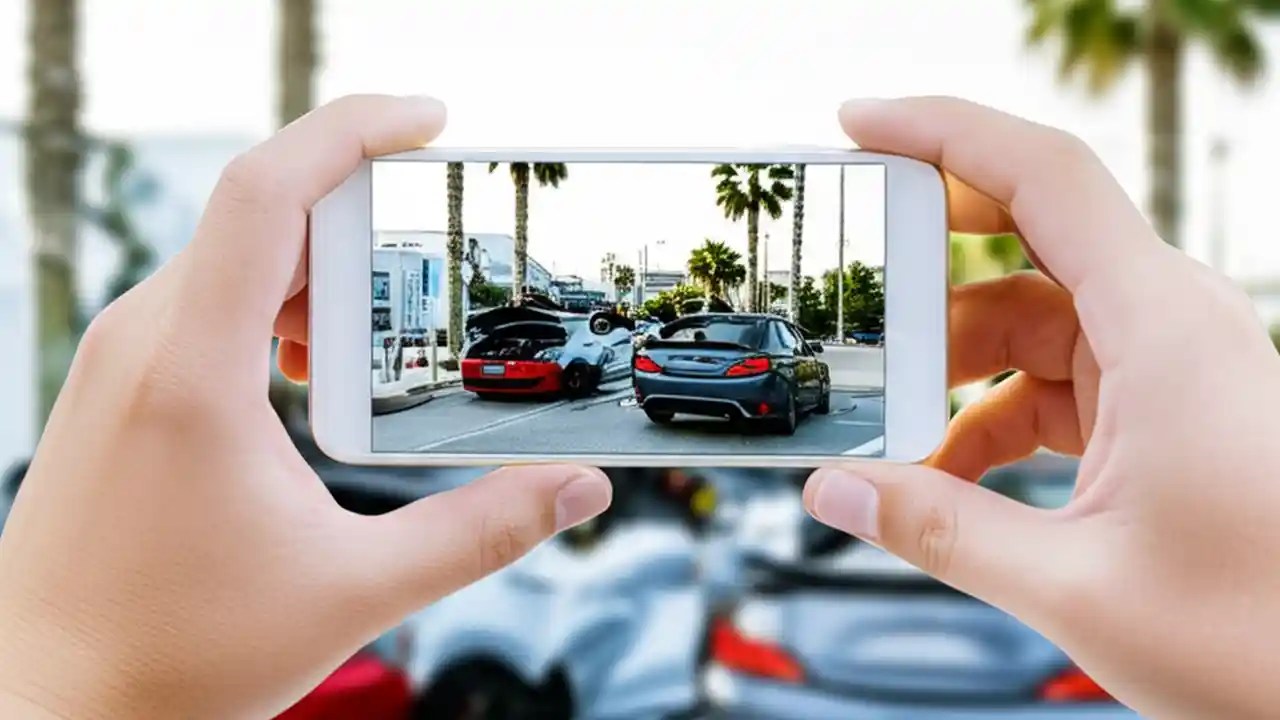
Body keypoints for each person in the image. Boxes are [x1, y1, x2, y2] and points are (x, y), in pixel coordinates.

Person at [0, 94, 1271, 719]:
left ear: (784, 370)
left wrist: (62, 673)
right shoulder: (716, 365)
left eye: (740, 358)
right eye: (680, 354)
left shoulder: (668, 361)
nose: (690, 359)